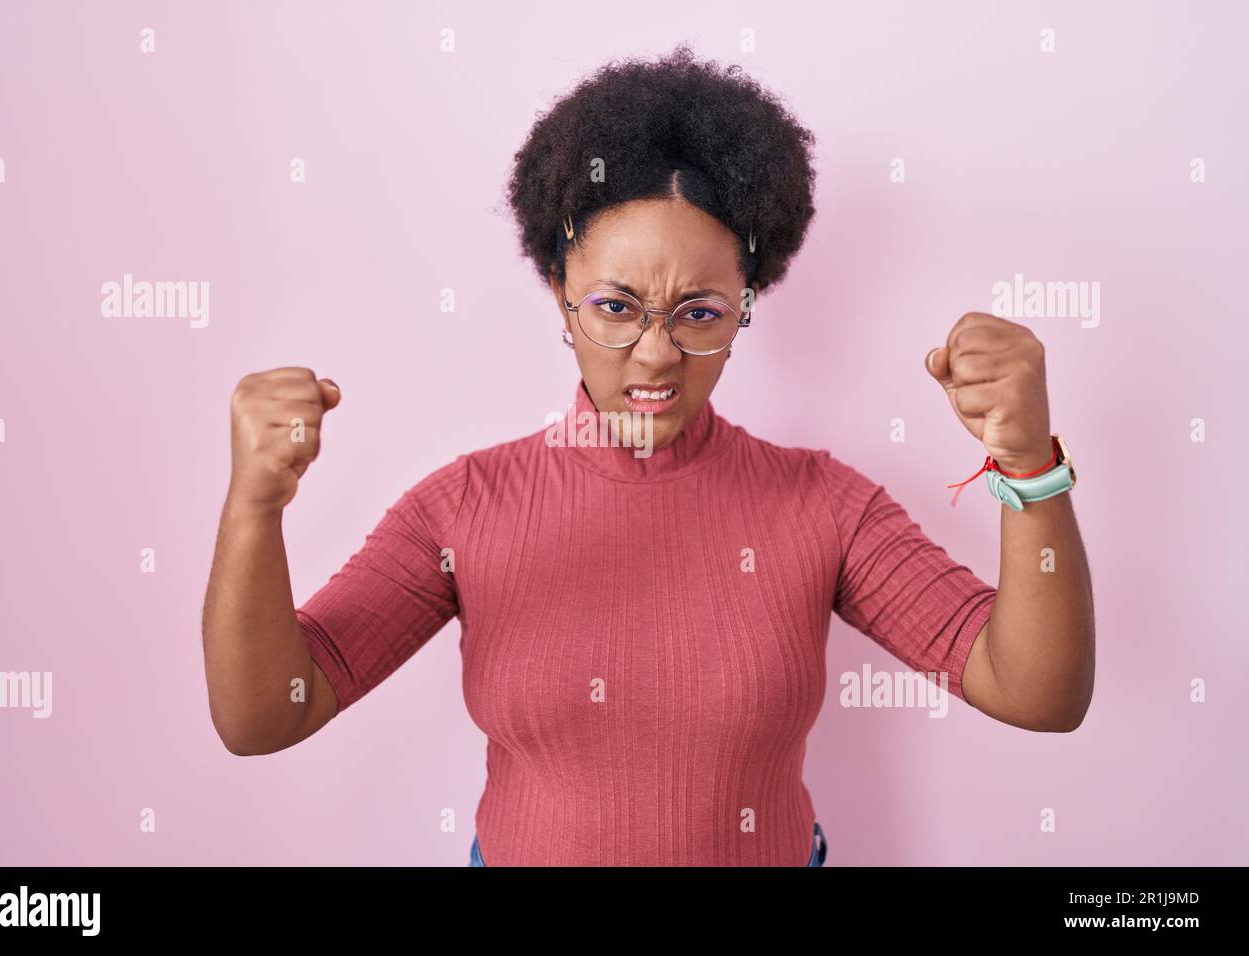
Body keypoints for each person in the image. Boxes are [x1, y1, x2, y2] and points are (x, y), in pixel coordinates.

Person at [201, 45, 1095, 867]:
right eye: (616, 307)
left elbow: (1035, 693)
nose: (658, 354)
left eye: (699, 312)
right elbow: (266, 713)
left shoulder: (824, 505)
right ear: (560, 297)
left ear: (746, 305)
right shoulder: (461, 507)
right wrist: (252, 510)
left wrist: (1028, 468)